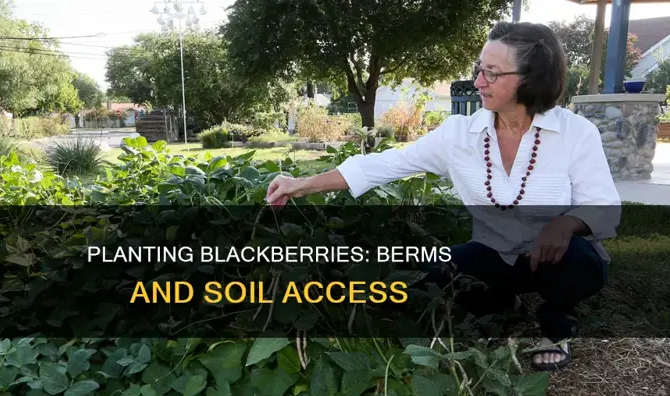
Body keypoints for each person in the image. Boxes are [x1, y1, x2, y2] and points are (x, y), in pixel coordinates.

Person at [264, 21, 621, 371]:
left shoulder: (576, 133)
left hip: (555, 257)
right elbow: (385, 164)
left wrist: (567, 223)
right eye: (479, 69)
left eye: (493, 73)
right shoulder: (459, 135)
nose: (479, 81)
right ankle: (501, 302)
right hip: (495, 254)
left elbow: (604, 206)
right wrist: (300, 184)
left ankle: (556, 325)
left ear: (531, 78)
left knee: (582, 263)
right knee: (437, 270)